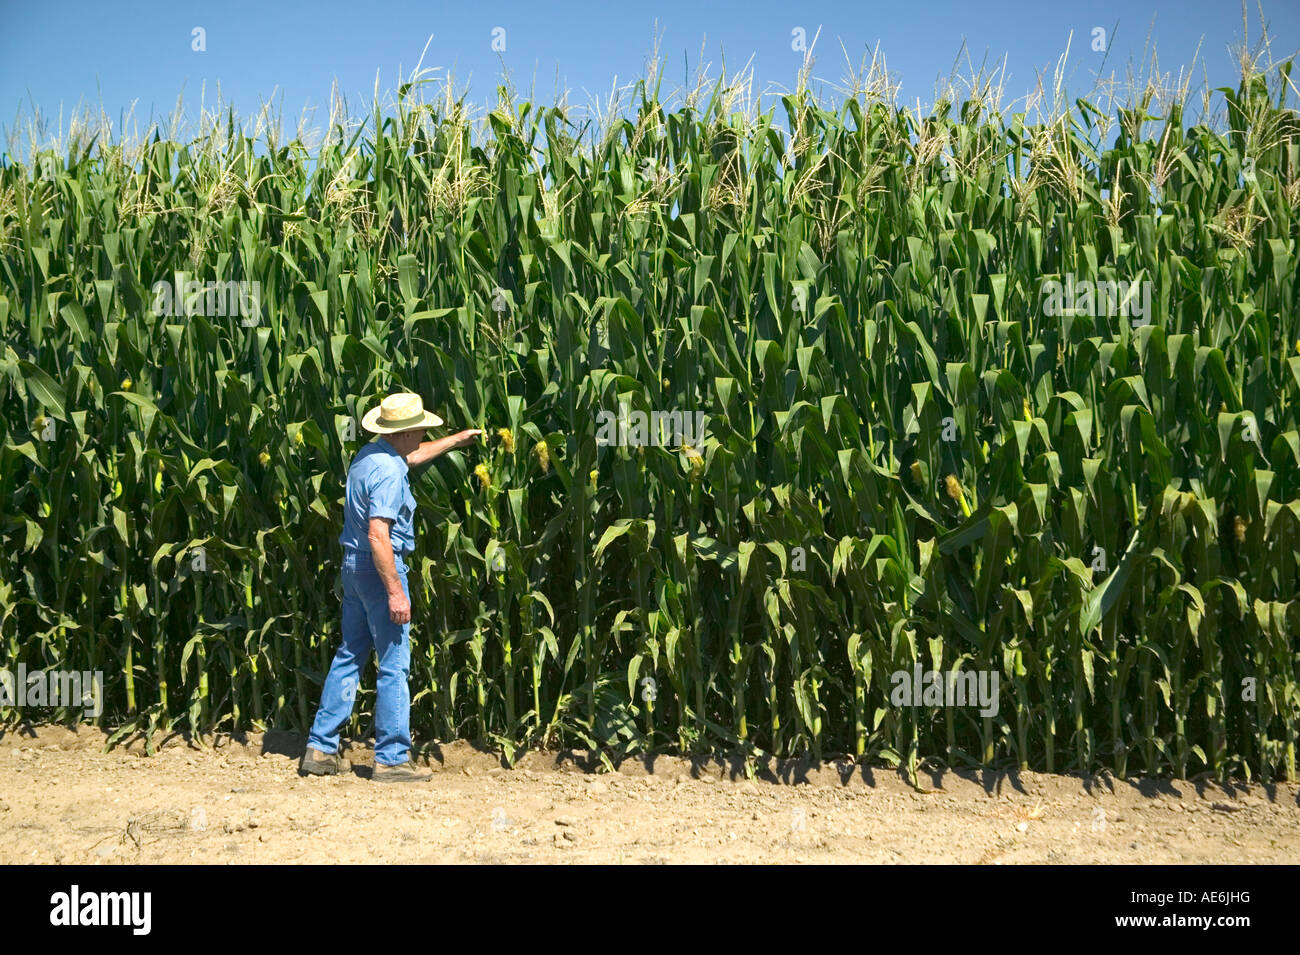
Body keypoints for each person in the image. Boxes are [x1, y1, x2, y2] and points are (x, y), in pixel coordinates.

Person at [300, 392, 482, 782]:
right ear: (403, 433)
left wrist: (455, 440)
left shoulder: (370, 456)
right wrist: (396, 591)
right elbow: (379, 535)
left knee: (350, 654)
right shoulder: (389, 472)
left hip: (353, 567)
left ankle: (320, 748)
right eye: (418, 430)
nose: (420, 436)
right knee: (394, 664)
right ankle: (392, 758)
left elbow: (410, 457)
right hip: (379, 568)